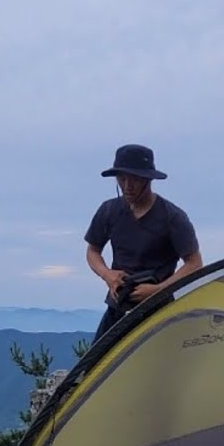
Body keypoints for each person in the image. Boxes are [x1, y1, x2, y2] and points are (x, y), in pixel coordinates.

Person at [84, 143, 202, 339]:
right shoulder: (109, 210)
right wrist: (108, 275)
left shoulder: (172, 217)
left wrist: (158, 290)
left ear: (148, 179)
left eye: (135, 179)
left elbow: (195, 264)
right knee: (95, 367)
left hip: (158, 310)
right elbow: (93, 251)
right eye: (122, 179)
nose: (127, 186)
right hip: (118, 304)